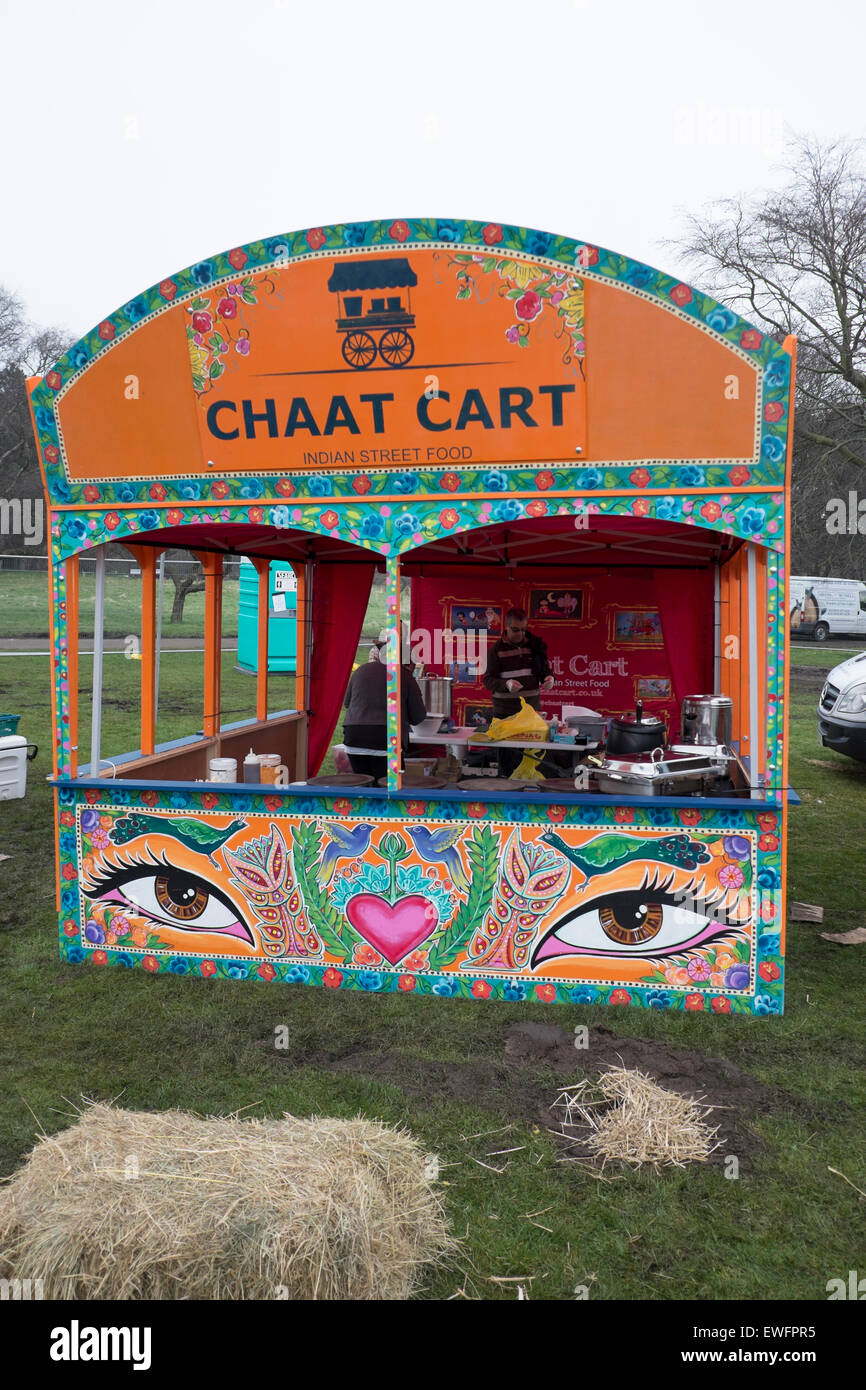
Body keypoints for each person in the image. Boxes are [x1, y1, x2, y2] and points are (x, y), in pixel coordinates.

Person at [342, 629, 426, 780]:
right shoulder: (404, 676)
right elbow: (418, 716)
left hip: (354, 737)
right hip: (387, 739)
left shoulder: (361, 670)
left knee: (364, 787)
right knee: (388, 790)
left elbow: (347, 704)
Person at [483, 607, 555, 777]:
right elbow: (488, 680)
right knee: (507, 764)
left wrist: (550, 679)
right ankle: (504, 796)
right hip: (505, 715)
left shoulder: (535, 647)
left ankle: (530, 797)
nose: (520, 634)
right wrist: (506, 684)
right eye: (515, 630)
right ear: (506, 627)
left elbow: (546, 671)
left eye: (523, 629)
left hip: (531, 714)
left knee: (531, 761)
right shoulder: (496, 650)